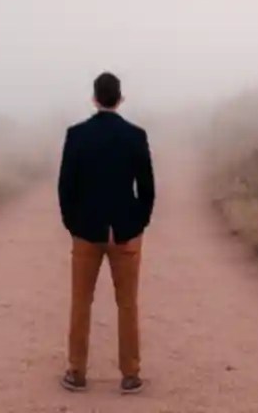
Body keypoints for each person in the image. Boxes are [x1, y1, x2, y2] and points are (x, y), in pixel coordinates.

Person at [57, 72, 156, 395]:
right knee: (127, 304)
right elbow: (147, 190)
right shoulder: (135, 136)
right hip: (125, 234)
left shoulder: (76, 135)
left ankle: (77, 372)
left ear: (94, 98)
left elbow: (65, 189)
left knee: (81, 302)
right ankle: (130, 374)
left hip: (86, 232)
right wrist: (136, 224)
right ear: (120, 98)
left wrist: (74, 225)